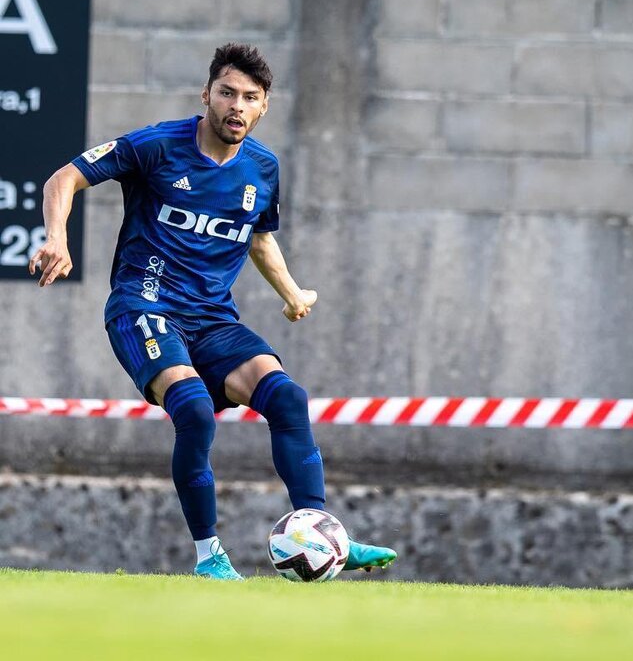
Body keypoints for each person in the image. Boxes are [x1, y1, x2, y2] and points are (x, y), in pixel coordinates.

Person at [30, 43, 397, 580]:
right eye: (227, 93)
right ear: (206, 95)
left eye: (250, 97)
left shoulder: (263, 168)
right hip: (144, 305)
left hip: (213, 320)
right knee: (196, 412)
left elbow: (258, 238)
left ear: (264, 106)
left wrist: (291, 292)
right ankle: (209, 556)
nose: (236, 106)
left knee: (288, 398)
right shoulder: (157, 145)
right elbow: (63, 178)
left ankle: (323, 531)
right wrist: (57, 238)